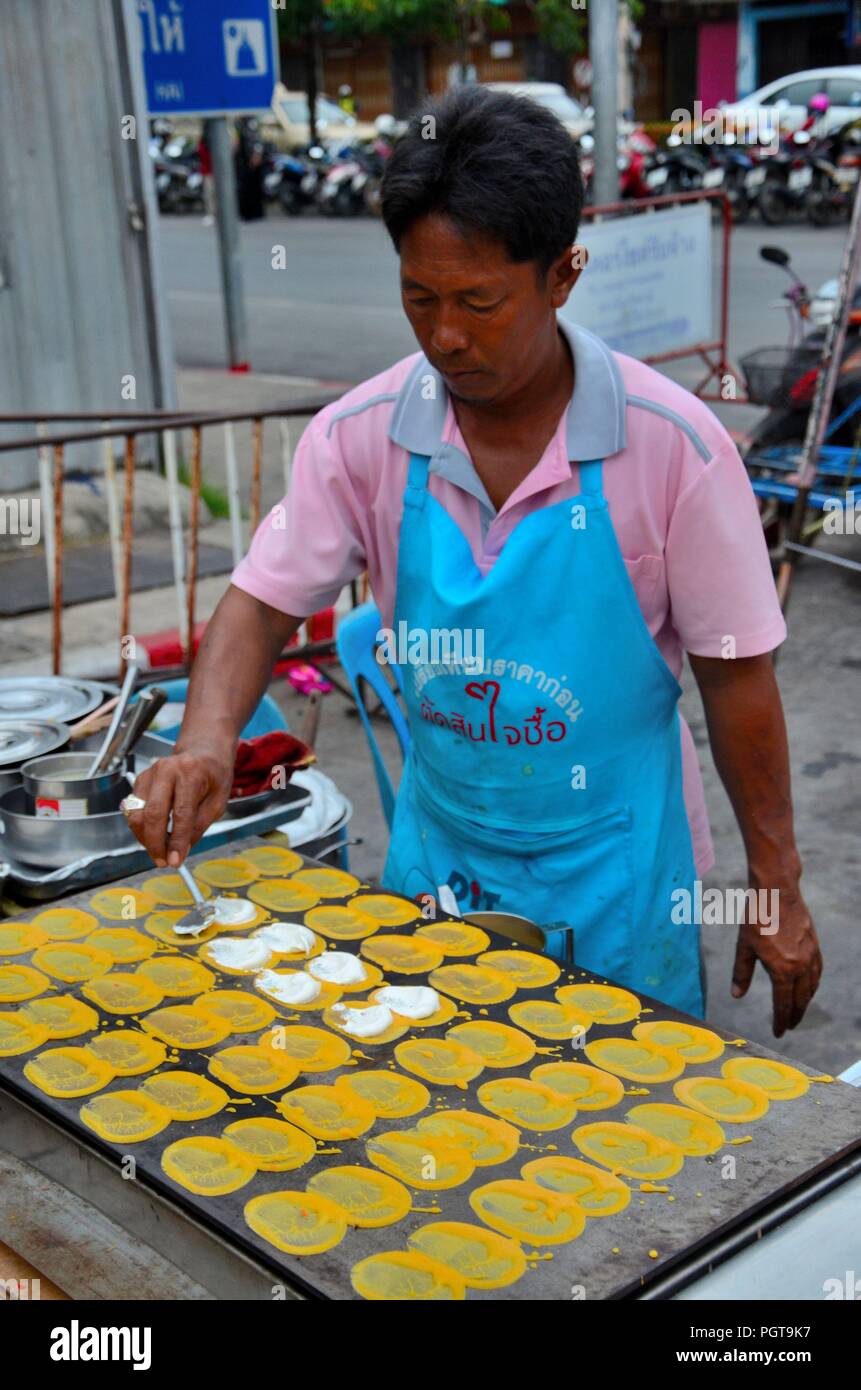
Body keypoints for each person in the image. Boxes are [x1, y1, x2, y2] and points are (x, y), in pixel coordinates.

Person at [127, 86, 821, 1036]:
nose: (445, 336)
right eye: (420, 297)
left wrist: (772, 881)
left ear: (562, 275)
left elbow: (737, 678)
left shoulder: (674, 449)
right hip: (437, 864)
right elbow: (260, 602)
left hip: (615, 875)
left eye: (479, 302)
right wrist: (206, 744)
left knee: (626, 1141)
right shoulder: (360, 436)